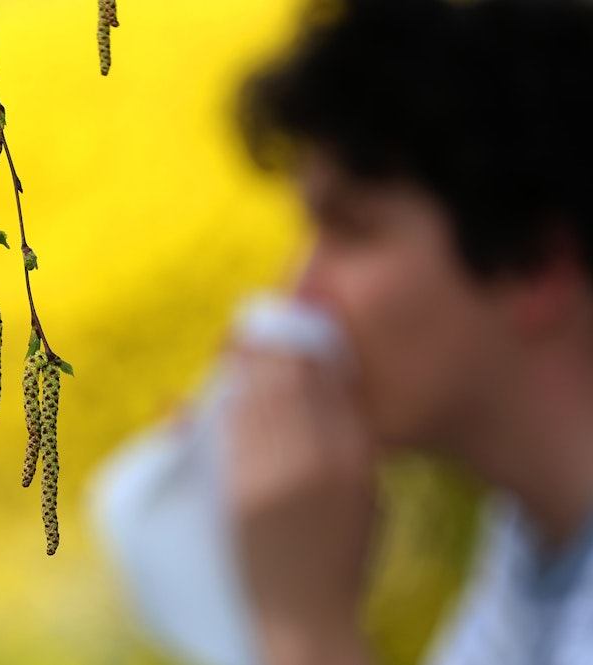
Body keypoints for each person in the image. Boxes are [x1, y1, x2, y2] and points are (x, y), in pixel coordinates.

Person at [228, 0, 593, 663]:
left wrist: (306, 629)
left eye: (353, 231)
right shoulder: (532, 544)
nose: (300, 298)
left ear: (538, 266)